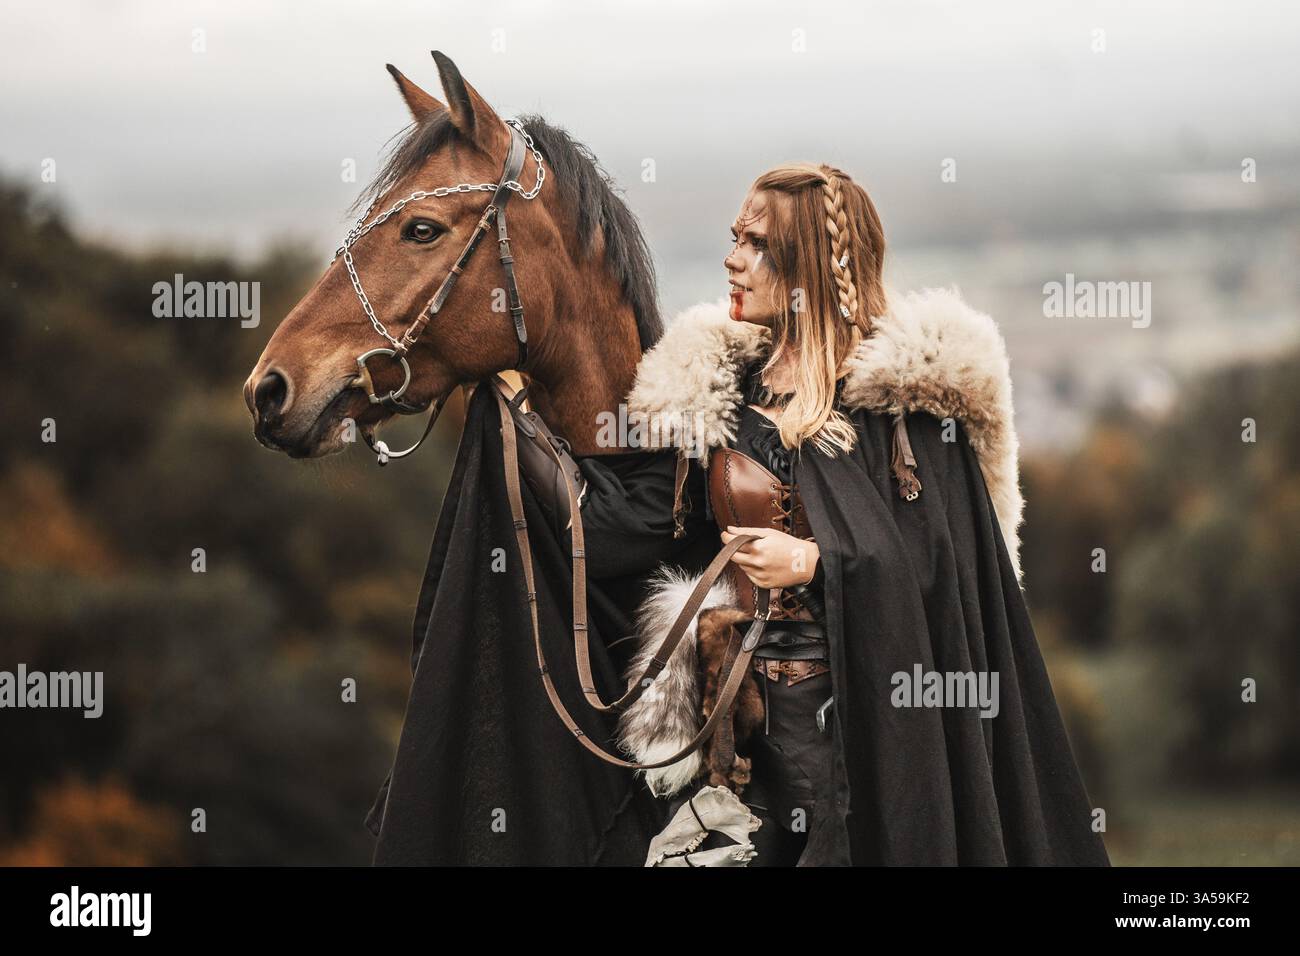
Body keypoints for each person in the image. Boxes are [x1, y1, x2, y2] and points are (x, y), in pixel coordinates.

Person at [570, 162, 1112, 866]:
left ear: (810, 270)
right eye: (734, 237)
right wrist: (522, 446)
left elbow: (944, 577)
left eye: (756, 245)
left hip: (857, 738)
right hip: (737, 729)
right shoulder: (725, 394)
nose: (732, 259)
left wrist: (819, 561)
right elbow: (640, 526)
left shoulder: (904, 416)